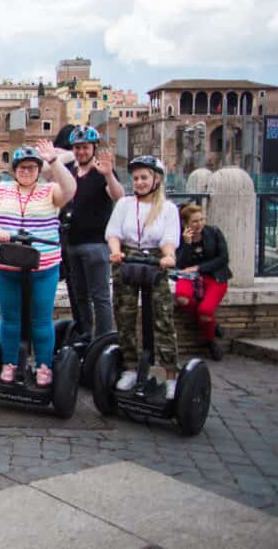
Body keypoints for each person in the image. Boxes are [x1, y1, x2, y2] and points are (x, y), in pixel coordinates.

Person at [0, 141, 77, 388]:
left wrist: (54, 161)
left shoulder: (50, 190)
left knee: (41, 318)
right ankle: (10, 362)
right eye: (22, 167)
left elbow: (70, 190)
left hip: (43, 265)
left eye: (32, 167)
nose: (26, 171)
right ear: (14, 169)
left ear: (38, 170)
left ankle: (44, 365)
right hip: (7, 264)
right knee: (10, 317)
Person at [106, 156, 182, 398]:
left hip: (155, 260)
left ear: (156, 179)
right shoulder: (124, 204)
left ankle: (170, 375)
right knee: (125, 315)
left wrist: (169, 256)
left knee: (163, 317)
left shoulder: (168, 209)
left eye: (144, 177)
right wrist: (115, 251)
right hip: (127, 259)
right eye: (136, 178)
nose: (139, 182)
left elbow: (169, 239)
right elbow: (113, 232)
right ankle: (130, 368)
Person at [60, 125, 124, 340]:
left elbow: (118, 196)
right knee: (80, 296)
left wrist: (109, 175)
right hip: (72, 243)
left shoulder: (101, 173)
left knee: (100, 297)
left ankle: (104, 340)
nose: (81, 152)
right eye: (77, 148)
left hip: (96, 244)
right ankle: (86, 336)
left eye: (85, 147)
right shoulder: (71, 174)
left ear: (93, 148)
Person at [175, 203, 230, 361]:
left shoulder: (214, 232)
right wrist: (187, 244)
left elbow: (223, 259)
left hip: (214, 276)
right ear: (186, 223)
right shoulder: (179, 236)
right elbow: (179, 264)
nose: (199, 224)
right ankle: (212, 323)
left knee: (205, 311)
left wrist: (199, 268)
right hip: (189, 276)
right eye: (195, 221)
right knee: (182, 298)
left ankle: (210, 341)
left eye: (201, 220)